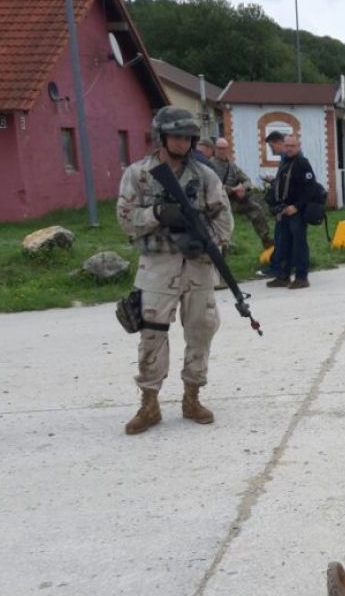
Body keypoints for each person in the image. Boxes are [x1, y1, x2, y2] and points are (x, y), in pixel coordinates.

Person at [116, 106, 233, 435]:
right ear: (162, 137)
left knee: (201, 330)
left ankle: (192, 397)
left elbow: (224, 219)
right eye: (176, 136)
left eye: (188, 137)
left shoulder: (205, 176)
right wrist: (156, 214)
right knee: (151, 334)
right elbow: (125, 218)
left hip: (198, 266)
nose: (182, 142)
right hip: (157, 265)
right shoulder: (139, 174)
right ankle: (149, 403)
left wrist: (208, 244)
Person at [264, 131, 315, 290]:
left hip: (296, 212)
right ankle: (283, 276)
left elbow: (310, 189)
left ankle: (301, 277)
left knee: (299, 245)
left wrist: (297, 206)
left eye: (292, 146)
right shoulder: (285, 162)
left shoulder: (302, 163)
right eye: (286, 145)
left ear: (298, 146)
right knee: (283, 244)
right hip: (284, 211)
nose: (289, 148)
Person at [211, 137, 274, 251]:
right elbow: (213, 186)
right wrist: (233, 189)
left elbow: (247, 180)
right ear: (215, 149)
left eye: (224, 148)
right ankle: (221, 247)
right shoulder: (210, 165)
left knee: (256, 208)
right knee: (221, 223)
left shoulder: (232, 166)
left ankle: (266, 240)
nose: (222, 151)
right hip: (217, 201)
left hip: (234, 200)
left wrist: (242, 188)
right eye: (219, 148)